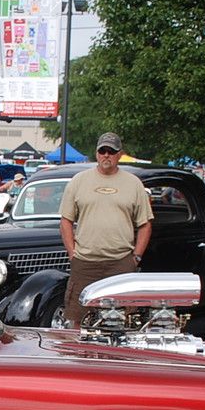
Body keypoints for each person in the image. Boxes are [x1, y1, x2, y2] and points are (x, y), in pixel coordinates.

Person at [58, 132, 154, 330]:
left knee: (122, 320)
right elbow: (66, 220)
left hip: (120, 264)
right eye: (103, 151)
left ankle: (115, 358)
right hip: (85, 263)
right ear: (96, 153)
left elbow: (145, 224)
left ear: (120, 155)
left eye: (111, 151)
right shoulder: (79, 181)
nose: (106, 155)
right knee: (78, 320)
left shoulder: (134, 184)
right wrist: (73, 253)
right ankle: (79, 358)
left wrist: (135, 257)